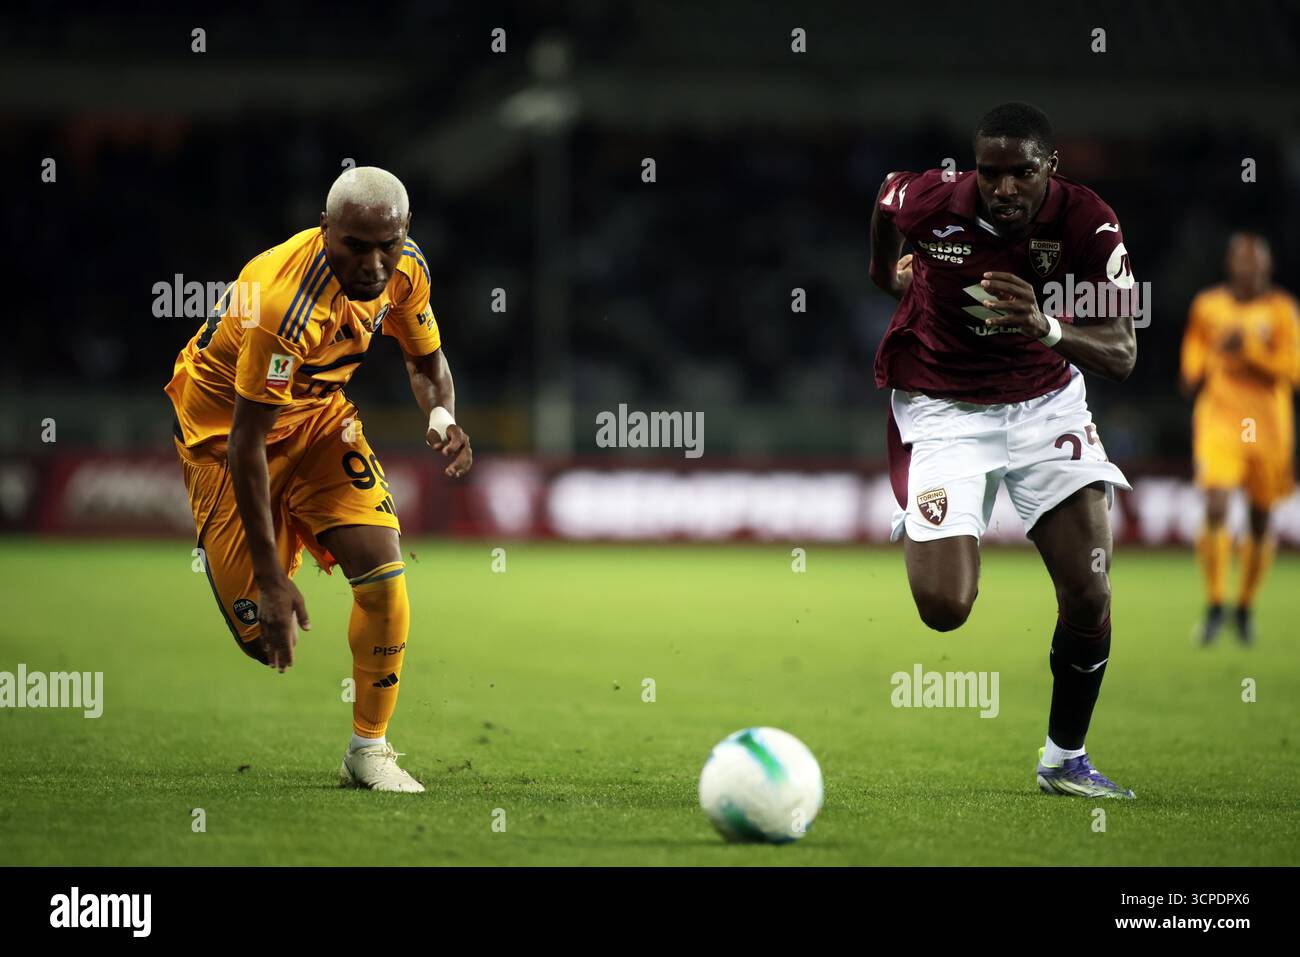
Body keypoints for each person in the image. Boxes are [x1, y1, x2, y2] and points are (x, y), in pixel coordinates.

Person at [165, 166, 472, 792]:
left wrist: (441, 413)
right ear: (325, 228)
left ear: (405, 232)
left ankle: (369, 749)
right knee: (260, 635)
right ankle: (276, 558)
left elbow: (426, 359)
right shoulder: (284, 304)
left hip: (319, 420)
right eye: (356, 246)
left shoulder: (407, 269)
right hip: (224, 436)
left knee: (383, 571)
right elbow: (249, 443)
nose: (375, 264)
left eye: (387, 245)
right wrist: (272, 582)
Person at [869, 102, 1138, 798]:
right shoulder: (935, 201)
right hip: (945, 407)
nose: (1005, 188)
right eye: (991, 173)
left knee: (1089, 588)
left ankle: (1064, 759)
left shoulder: (1087, 222)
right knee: (944, 607)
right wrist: (885, 272)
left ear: (1051, 167)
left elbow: (1123, 352)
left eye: (1022, 172)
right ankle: (951, 520)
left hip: (1045, 402)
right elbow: (887, 194)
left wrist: (1046, 325)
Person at [1181, 233, 1300, 645]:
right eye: (1242, 261)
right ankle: (1215, 603)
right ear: (1231, 265)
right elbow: (1190, 370)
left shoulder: (1283, 310)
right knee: (1216, 503)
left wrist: (1248, 349)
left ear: (1267, 267)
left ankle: (1245, 606)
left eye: (1256, 262)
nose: (1249, 269)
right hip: (1220, 423)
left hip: (1269, 429)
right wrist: (1216, 351)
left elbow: (1293, 371)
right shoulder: (1207, 306)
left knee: (1261, 518)